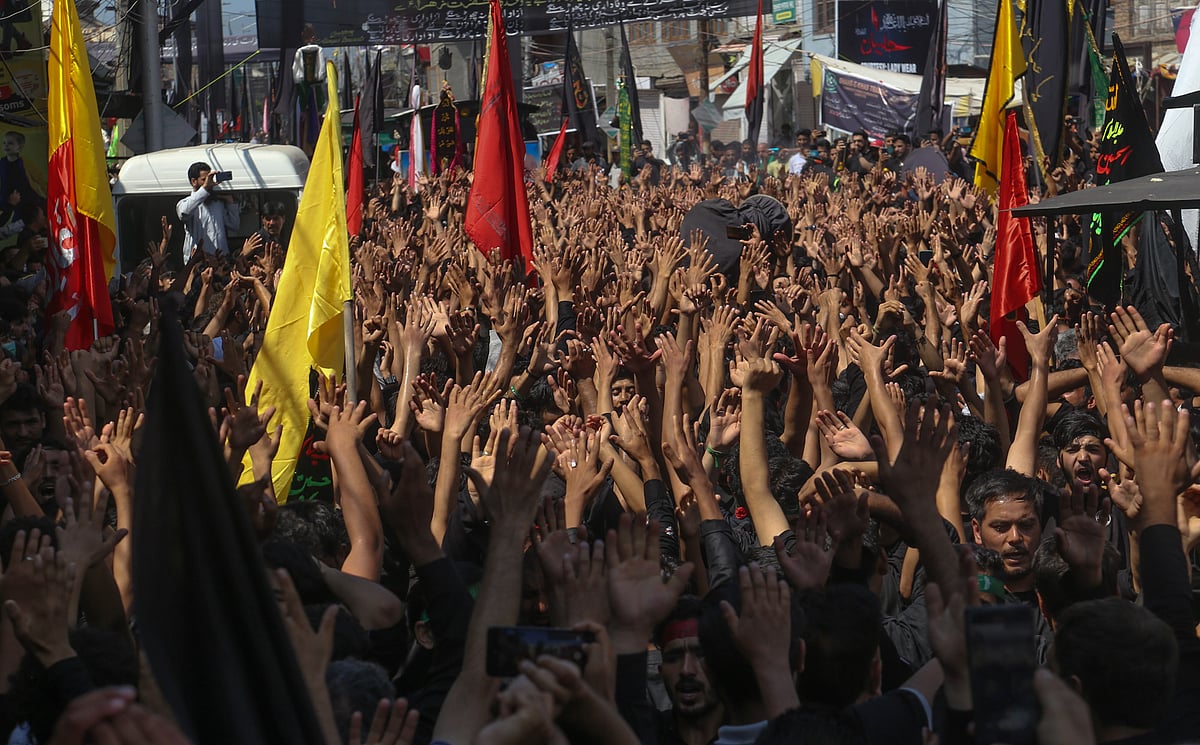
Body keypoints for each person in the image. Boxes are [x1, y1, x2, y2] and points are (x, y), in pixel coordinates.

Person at [176, 161, 240, 263]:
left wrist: (230, 202)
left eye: (210, 179)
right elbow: (184, 213)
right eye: (204, 180)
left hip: (220, 261)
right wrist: (205, 188)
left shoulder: (217, 204)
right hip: (199, 264)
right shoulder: (186, 203)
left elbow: (234, 225)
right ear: (194, 181)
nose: (209, 183)